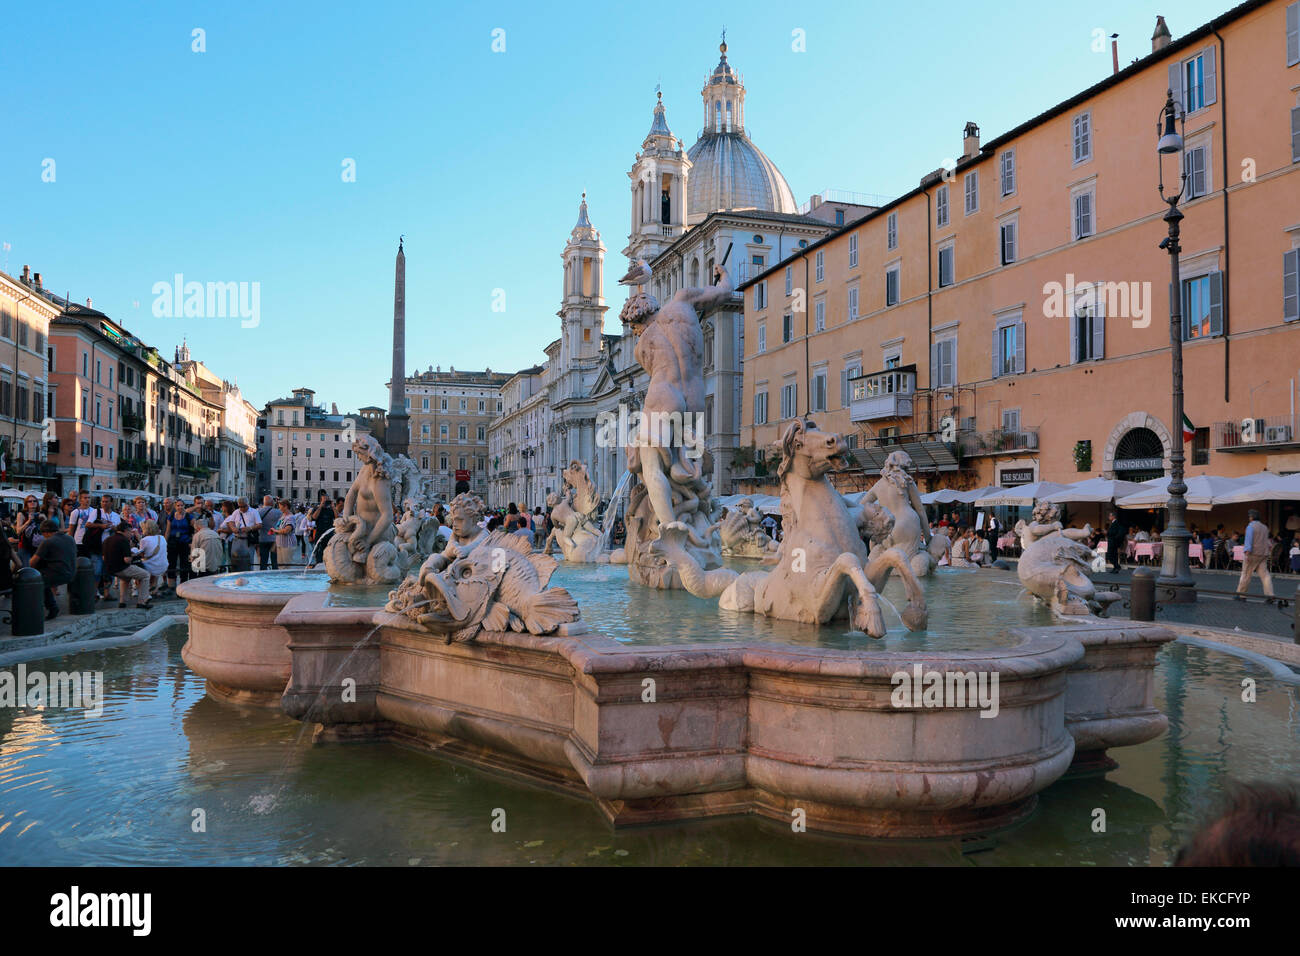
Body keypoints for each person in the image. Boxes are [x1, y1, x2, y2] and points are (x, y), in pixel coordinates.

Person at [29, 519, 76, 620]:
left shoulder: (48, 542)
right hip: (72, 572)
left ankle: (49, 608)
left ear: (46, 532)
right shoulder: (70, 538)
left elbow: (32, 562)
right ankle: (53, 606)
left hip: (58, 574)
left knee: (38, 581)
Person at [102, 522, 151, 609]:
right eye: (130, 532)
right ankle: (142, 602)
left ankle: (122, 602)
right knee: (145, 575)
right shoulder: (123, 540)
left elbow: (103, 557)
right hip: (122, 567)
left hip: (109, 568)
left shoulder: (107, 540)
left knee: (125, 578)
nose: (131, 534)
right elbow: (127, 560)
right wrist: (134, 555)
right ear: (125, 531)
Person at [1236, 509, 1275, 601]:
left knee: (1246, 574)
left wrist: (1247, 554)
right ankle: (1270, 595)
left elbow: (1248, 542)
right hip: (1263, 554)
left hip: (1253, 554)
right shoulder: (1265, 527)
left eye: (1249, 516)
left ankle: (1241, 595)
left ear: (1251, 517)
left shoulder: (1250, 527)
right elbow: (1268, 543)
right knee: (1265, 575)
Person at [222, 497, 261, 569]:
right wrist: (233, 528)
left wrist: (249, 528)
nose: (242, 508)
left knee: (249, 560)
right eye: (240, 506)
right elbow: (231, 522)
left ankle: (249, 573)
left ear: (247, 504)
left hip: (248, 539)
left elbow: (259, 525)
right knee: (235, 559)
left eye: (243, 506)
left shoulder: (254, 512)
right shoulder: (236, 512)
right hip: (237, 539)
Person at [134, 519, 169, 597]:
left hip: (151, 567)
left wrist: (138, 539)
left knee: (138, 564)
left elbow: (142, 555)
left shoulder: (144, 540)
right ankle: (154, 589)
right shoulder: (162, 537)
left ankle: (140, 589)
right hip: (163, 566)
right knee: (155, 561)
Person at [166, 500, 193, 586]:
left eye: (181, 505)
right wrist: (165, 543)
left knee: (184, 563)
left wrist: (192, 541)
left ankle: (183, 584)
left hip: (185, 542)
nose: (180, 507)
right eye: (178, 505)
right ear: (175, 506)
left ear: (184, 506)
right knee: (171, 563)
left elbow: (195, 529)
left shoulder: (189, 516)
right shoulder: (171, 516)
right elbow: (168, 531)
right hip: (172, 542)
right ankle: (171, 585)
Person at [13, 494, 41, 566]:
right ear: (26, 504)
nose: (32, 502)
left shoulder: (40, 514)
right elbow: (18, 531)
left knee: (37, 567)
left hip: (38, 545)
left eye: (34, 501)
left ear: (37, 503)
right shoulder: (21, 514)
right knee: (26, 567)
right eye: (30, 501)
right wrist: (28, 521)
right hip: (24, 545)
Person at [256, 495, 282, 570]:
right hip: (274, 540)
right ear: (272, 503)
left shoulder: (258, 512)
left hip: (262, 539)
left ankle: (263, 575)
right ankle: (274, 575)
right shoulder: (278, 512)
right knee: (275, 561)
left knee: (263, 561)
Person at [272, 500, 297, 568]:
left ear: (285, 506)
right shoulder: (282, 516)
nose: (279, 508)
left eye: (280, 507)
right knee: (280, 565)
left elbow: (286, 530)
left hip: (287, 544)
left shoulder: (290, 517)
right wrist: (275, 530)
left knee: (286, 565)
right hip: (280, 544)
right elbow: (279, 527)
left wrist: (275, 531)